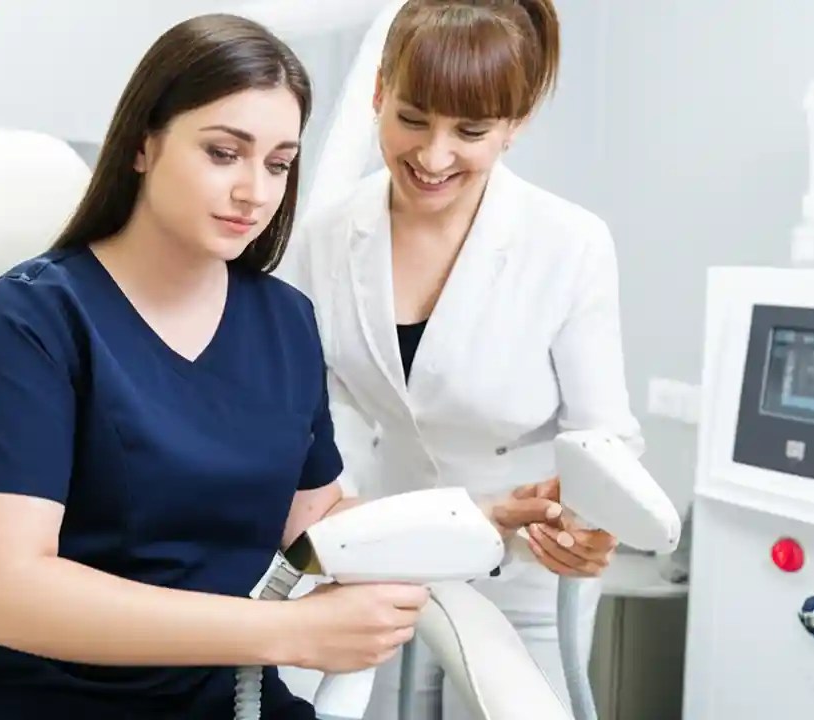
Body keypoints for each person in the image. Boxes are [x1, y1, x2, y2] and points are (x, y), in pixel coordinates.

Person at [0, 11, 566, 720]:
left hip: (213, 696)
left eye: (277, 163)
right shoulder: (34, 319)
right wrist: (287, 633)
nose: (256, 192)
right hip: (22, 698)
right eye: (222, 153)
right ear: (144, 145)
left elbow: (319, 519)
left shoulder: (285, 323)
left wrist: (474, 519)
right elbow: (3, 595)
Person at [276, 1, 641, 718]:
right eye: (412, 118)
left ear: (515, 125)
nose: (434, 157)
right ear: (379, 92)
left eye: (470, 131)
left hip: (527, 571)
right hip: (384, 550)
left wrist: (597, 522)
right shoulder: (325, 235)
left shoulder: (568, 244)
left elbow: (608, 436)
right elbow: (297, 419)